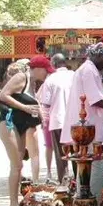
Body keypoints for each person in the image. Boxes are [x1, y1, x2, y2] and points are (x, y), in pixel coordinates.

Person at [0, 56, 51, 206]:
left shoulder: (33, 84)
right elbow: (3, 95)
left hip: (22, 125)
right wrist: (26, 108)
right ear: (39, 69)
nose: (47, 74)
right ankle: (13, 204)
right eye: (46, 71)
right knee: (17, 165)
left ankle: (17, 201)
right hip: (8, 122)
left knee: (19, 163)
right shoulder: (22, 77)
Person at [61, 43, 103, 201]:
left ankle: (82, 202)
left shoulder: (86, 69)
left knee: (84, 165)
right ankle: (92, 204)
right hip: (88, 129)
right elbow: (95, 100)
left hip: (85, 127)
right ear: (97, 56)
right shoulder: (90, 70)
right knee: (97, 165)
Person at [38, 54, 74, 183]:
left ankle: (64, 183)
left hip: (57, 120)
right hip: (76, 121)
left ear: (53, 64)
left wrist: (45, 121)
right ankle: (79, 183)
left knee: (61, 155)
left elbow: (46, 105)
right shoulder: (74, 76)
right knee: (78, 155)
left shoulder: (50, 80)